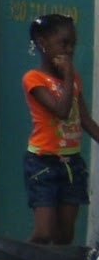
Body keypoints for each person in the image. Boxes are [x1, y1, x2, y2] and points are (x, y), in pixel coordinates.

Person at [22, 13, 99, 246]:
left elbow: (84, 118)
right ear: (43, 43)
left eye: (72, 44)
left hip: (72, 165)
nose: (69, 50)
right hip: (43, 163)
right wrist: (67, 76)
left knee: (64, 235)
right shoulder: (34, 79)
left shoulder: (73, 79)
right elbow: (62, 111)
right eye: (63, 43)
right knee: (44, 233)